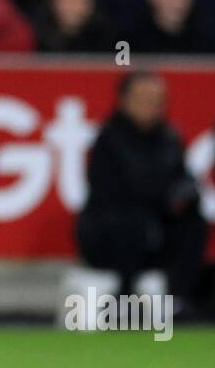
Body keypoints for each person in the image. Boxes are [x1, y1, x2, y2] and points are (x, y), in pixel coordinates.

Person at [76, 71, 206, 302]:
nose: (151, 106)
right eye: (144, 99)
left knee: (193, 225)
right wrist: (162, 195)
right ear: (124, 100)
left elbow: (183, 178)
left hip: (155, 228)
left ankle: (179, 300)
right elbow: (114, 194)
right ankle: (124, 298)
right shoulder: (108, 139)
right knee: (131, 223)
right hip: (109, 235)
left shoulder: (169, 138)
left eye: (157, 100)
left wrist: (186, 194)